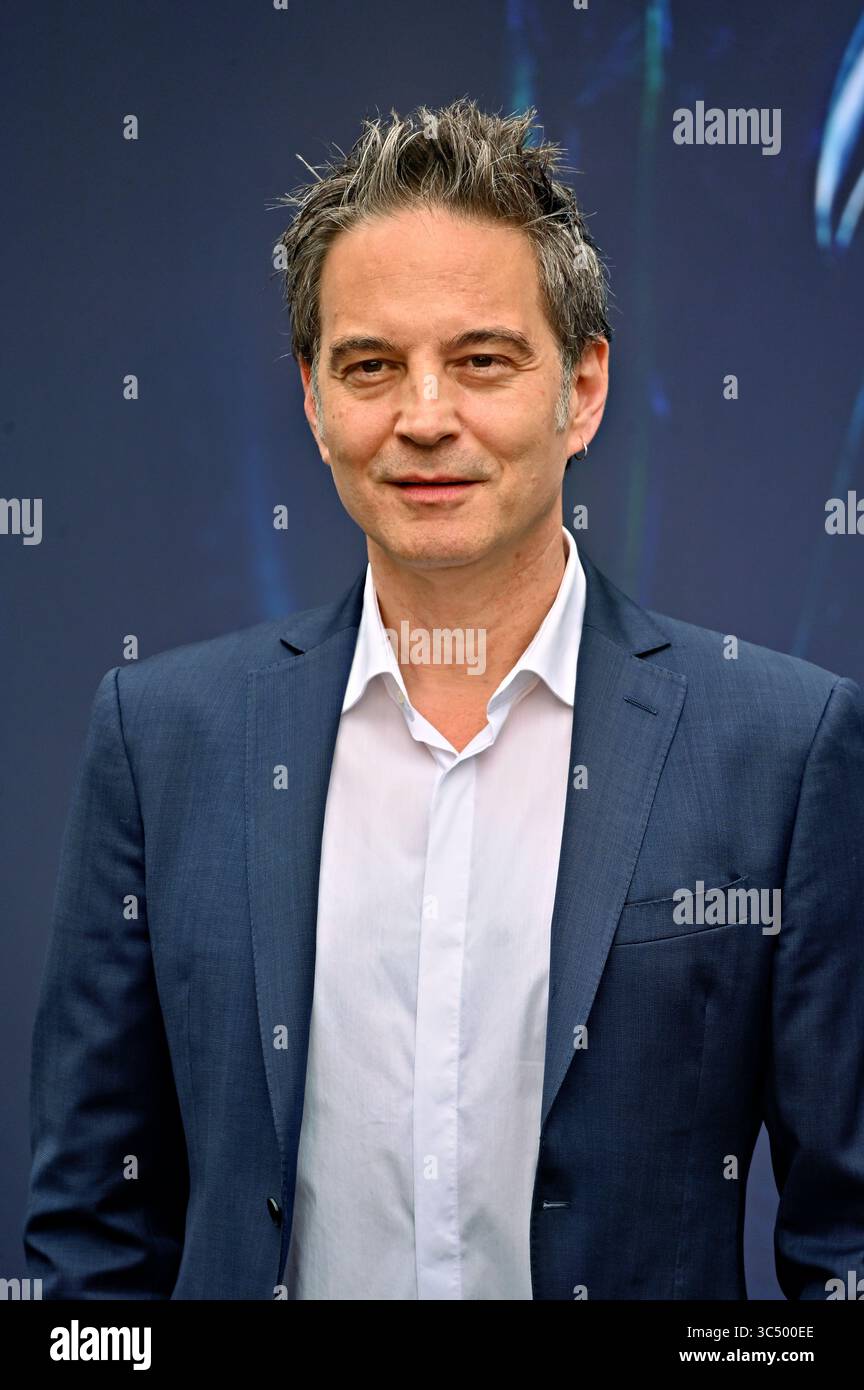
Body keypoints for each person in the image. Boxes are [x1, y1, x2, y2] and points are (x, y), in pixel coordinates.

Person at [24, 98, 864, 1300]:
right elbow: (88, 1242)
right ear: (313, 400)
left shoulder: (780, 748)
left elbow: (847, 1249)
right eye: (371, 366)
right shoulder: (163, 741)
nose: (424, 418)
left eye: (481, 360)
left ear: (582, 390)